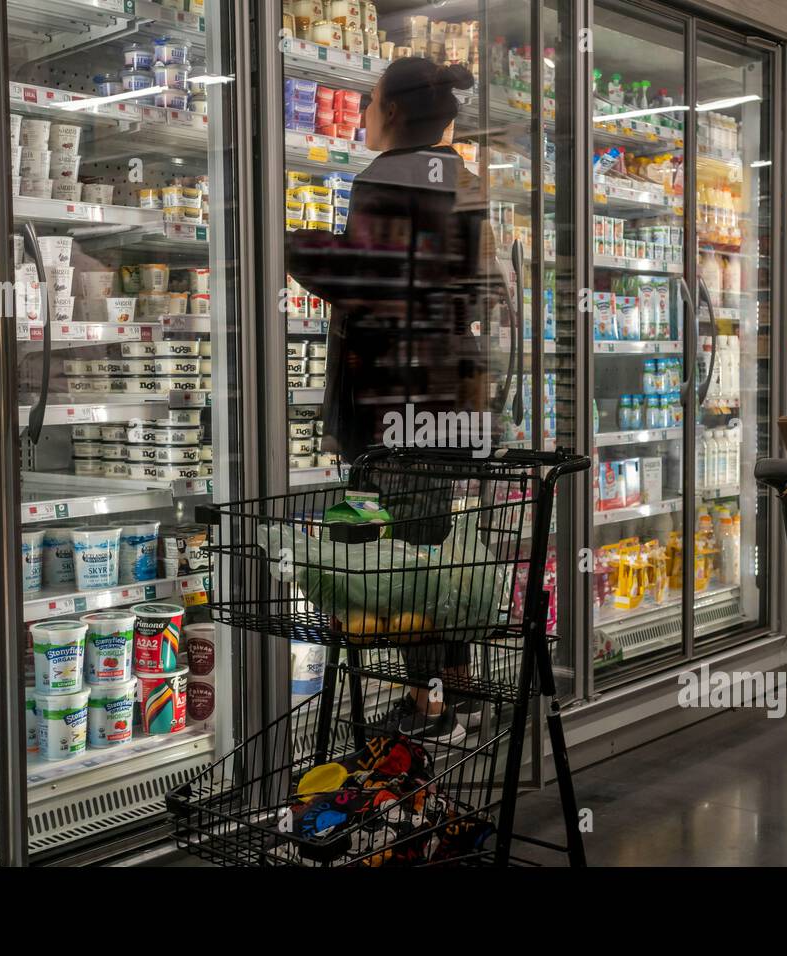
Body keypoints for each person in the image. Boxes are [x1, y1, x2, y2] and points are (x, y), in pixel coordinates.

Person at [286, 57, 512, 744]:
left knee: (401, 556)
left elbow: (370, 276)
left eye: (371, 101)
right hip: (443, 396)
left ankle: (428, 706)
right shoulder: (462, 178)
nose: (362, 113)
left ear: (393, 112)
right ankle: (457, 691)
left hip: (390, 403)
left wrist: (284, 241)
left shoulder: (392, 174)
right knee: (433, 549)